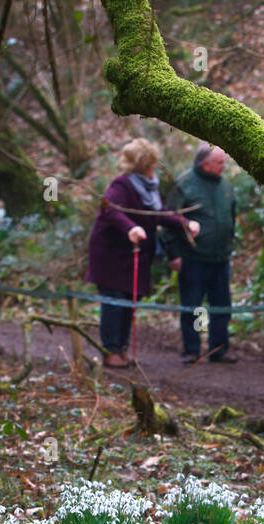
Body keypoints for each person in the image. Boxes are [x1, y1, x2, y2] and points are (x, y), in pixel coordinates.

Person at [85, 138, 199, 368]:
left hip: (133, 256)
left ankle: (123, 349)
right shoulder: (121, 185)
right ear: (145, 164)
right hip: (111, 256)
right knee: (114, 303)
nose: (155, 167)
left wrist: (185, 223)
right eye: (152, 163)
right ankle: (111, 351)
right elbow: (111, 211)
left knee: (129, 301)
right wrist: (131, 227)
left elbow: (160, 214)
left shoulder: (149, 187)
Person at [162, 143, 238, 364]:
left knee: (222, 306)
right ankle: (191, 349)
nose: (224, 166)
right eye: (220, 162)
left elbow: (231, 216)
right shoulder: (184, 185)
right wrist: (173, 254)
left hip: (220, 258)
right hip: (193, 258)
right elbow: (168, 221)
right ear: (205, 164)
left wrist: (230, 242)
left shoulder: (226, 186)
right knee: (192, 307)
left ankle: (219, 348)